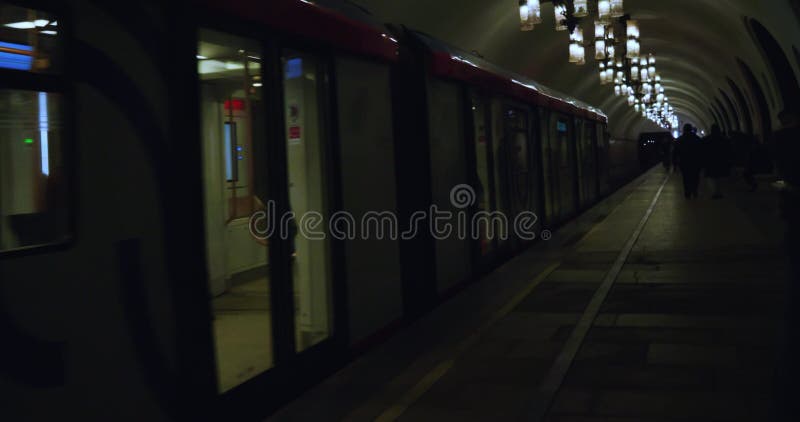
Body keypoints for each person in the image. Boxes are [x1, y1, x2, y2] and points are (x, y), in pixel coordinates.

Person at [703, 124, 732, 199]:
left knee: (712, 178)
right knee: (721, 177)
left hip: (710, 162)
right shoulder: (725, 140)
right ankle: (720, 192)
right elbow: (729, 152)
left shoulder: (706, 139)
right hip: (722, 162)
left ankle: (714, 192)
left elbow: (703, 151)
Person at [676, 124, 704, 199]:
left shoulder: (679, 140)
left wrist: (675, 163)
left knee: (686, 178)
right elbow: (702, 151)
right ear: (691, 129)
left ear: (684, 130)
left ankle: (687, 193)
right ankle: (695, 191)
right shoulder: (697, 139)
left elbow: (676, 152)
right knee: (695, 177)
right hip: (696, 162)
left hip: (684, 162)